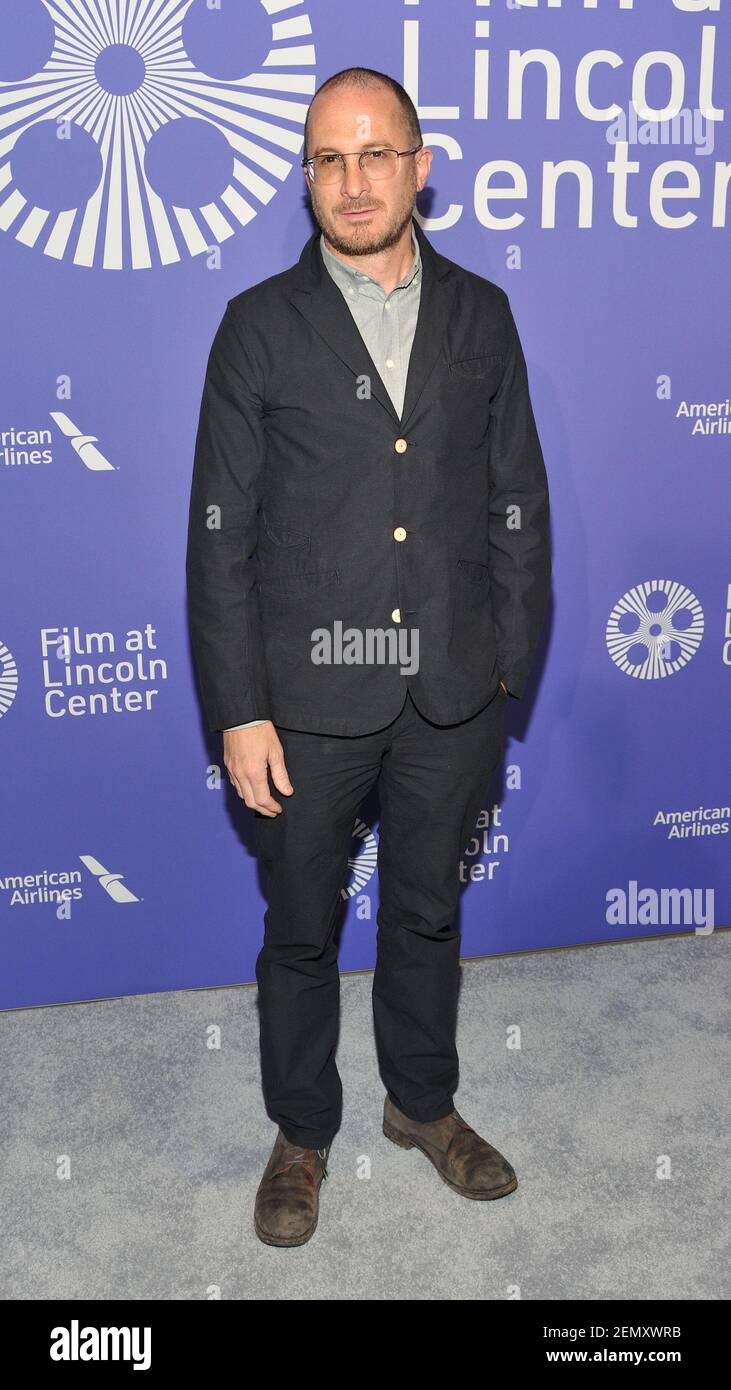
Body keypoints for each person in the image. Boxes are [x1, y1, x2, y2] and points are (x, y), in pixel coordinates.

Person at [186, 67, 551, 1248]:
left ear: (419, 164)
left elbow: (515, 498)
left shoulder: (481, 314)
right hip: (305, 702)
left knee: (425, 914)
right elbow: (220, 535)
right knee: (300, 925)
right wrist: (239, 711)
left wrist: (509, 668)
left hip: (450, 688)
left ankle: (422, 1103)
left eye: (375, 155)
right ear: (306, 177)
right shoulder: (256, 326)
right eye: (329, 160)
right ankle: (301, 1128)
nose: (353, 182)